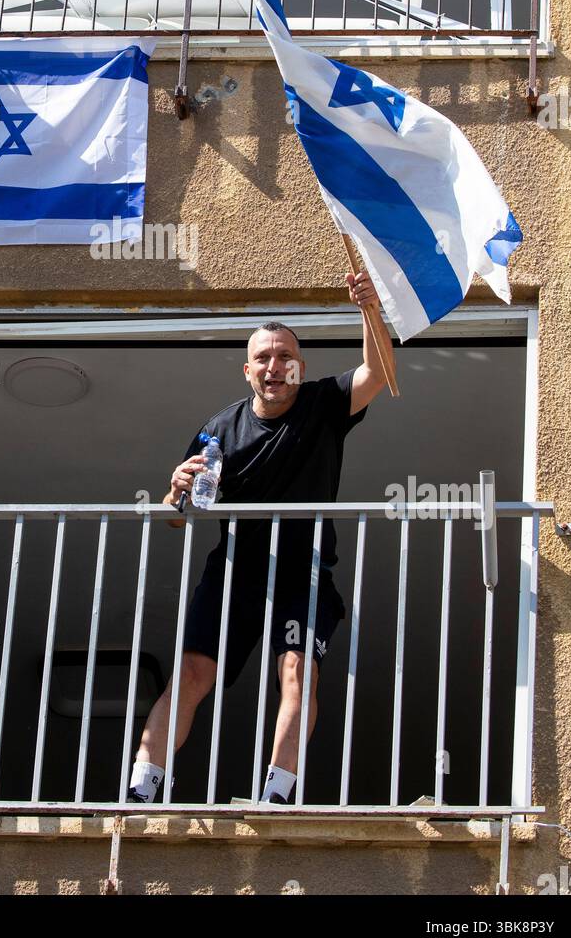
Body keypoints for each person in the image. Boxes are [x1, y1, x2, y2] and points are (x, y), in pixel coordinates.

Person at [128, 269, 395, 805]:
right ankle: (141, 785)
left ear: (300, 367)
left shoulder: (323, 404)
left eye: (285, 357)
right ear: (248, 369)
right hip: (234, 573)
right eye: (265, 358)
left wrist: (370, 309)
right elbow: (179, 517)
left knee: (297, 669)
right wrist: (173, 492)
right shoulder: (218, 431)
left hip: (304, 571)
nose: (275, 366)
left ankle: (278, 791)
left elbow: (379, 371)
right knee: (192, 671)